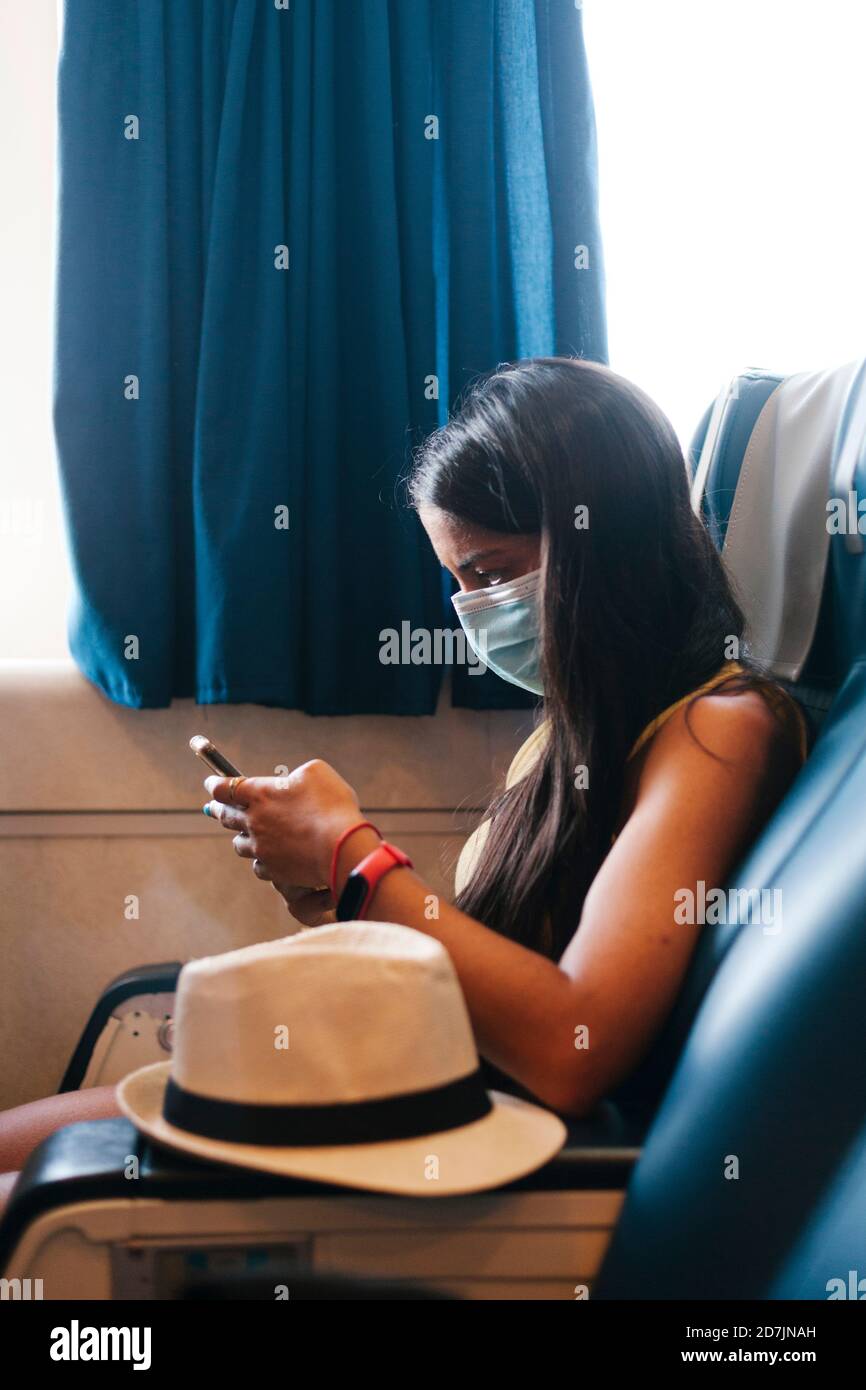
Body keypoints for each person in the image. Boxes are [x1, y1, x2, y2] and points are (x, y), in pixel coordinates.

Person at [0, 357, 807, 1204]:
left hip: (478, 1142)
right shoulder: (568, 735)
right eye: (456, 581)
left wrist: (355, 858)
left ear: (603, 543)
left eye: (491, 572)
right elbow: (507, 960)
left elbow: (575, 1044)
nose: (473, 609)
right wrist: (335, 890)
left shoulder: (719, 730)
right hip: (417, 1078)